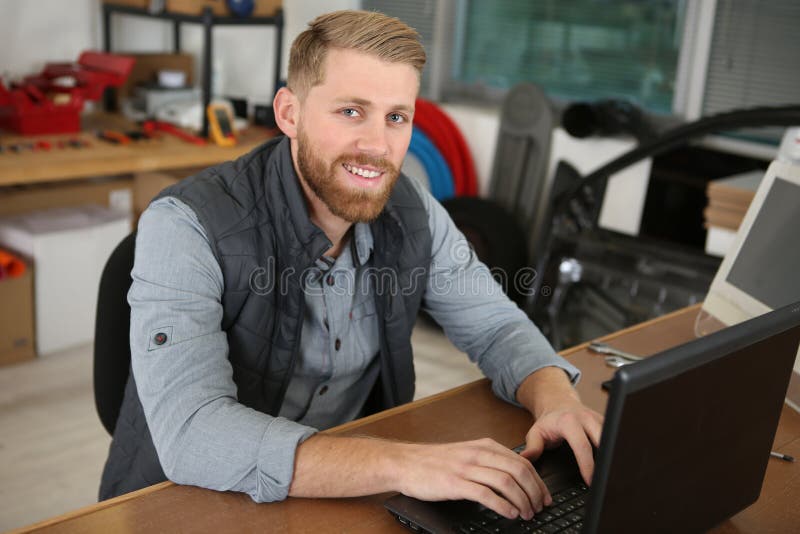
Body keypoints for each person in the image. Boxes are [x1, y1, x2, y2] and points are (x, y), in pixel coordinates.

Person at [99, 10, 603, 522]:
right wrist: (403, 464)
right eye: (350, 111)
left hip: (342, 490)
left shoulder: (414, 210)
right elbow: (192, 433)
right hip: (193, 503)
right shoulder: (184, 224)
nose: (378, 146)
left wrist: (556, 397)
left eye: (396, 117)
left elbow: (495, 327)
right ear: (289, 112)